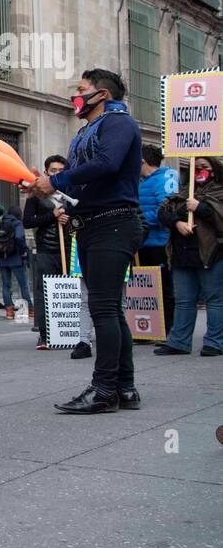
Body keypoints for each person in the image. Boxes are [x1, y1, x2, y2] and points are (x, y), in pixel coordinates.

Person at [29, 68, 143, 414]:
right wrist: (46, 186)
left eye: (80, 90)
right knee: (109, 308)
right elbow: (82, 183)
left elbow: (107, 164)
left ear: (102, 95)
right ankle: (124, 387)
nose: (74, 97)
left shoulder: (118, 123)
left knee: (104, 308)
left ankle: (104, 388)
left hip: (114, 223)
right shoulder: (89, 129)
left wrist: (58, 179)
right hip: (95, 223)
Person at [155, 157, 223, 357]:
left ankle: (215, 342)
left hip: (211, 253)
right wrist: (178, 223)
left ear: (214, 169)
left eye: (204, 167)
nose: (200, 171)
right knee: (183, 299)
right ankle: (179, 342)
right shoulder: (184, 192)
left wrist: (200, 208)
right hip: (182, 253)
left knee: (215, 299)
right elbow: (163, 213)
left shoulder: (219, 190)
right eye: (197, 167)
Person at [24, 156, 69, 348]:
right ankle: (44, 333)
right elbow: (28, 221)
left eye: (61, 170)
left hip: (69, 251)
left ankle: (68, 331)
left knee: (68, 293)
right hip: (46, 250)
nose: (57, 173)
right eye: (53, 170)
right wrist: (52, 216)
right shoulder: (36, 195)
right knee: (44, 294)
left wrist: (69, 220)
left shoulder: (72, 192)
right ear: (46, 173)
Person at [139, 145, 179, 332]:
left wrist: (137, 218)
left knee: (163, 289)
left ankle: (167, 327)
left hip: (160, 243)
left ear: (142, 161)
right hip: (142, 243)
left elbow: (165, 210)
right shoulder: (141, 181)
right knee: (146, 290)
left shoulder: (165, 178)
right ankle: (148, 328)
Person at [0, 204, 32, 321]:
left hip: (2, 257)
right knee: (23, 284)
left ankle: (9, 311)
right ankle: (28, 309)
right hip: (16, 258)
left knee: (6, 285)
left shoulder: (0, 222)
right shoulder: (17, 223)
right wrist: (24, 250)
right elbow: (19, 237)